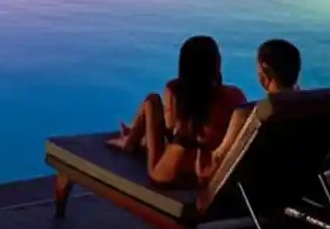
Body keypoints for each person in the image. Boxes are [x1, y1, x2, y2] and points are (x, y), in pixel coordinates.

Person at [106, 36, 247, 185]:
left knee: (152, 100)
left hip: (171, 171)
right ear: (216, 63)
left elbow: (171, 129)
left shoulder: (175, 91)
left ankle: (128, 141)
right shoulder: (234, 96)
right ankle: (131, 138)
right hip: (212, 168)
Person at [203, 38, 301, 178]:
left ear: (265, 71)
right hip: (297, 182)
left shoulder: (246, 113)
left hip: (252, 189)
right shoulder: (313, 108)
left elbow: (220, 160)